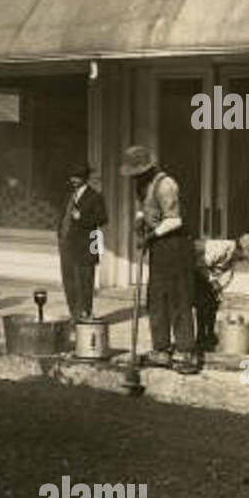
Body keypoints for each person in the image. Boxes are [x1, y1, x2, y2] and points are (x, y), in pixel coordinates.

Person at [120, 145, 198, 375]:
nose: (134, 176)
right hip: (158, 247)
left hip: (176, 245)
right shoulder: (141, 185)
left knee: (178, 298)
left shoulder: (166, 184)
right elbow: (144, 210)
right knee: (156, 298)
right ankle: (161, 349)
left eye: (137, 171)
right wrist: (139, 223)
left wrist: (151, 236)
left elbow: (175, 220)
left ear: (147, 168)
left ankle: (186, 352)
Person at [57, 163, 108, 320]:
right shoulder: (68, 195)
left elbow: (103, 219)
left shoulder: (95, 196)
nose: (73, 180)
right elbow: (63, 216)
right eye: (72, 177)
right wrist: (59, 233)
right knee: (69, 281)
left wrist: (82, 218)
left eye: (77, 177)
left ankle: (85, 313)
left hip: (86, 244)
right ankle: (74, 314)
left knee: (85, 281)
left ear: (85, 178)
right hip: (67, 244)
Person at [194, 233, 249, 353]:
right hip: (194, 267)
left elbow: (222, 273)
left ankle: (210, 335)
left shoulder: (232, 256)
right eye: (243, 257)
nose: (242, 260)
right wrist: (213, 282)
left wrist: (219, 288)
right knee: (203, 304)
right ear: (239, 248)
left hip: (207, 273)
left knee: (213, 303)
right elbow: (201, 264)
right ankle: (201, 337)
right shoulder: (221, 248)